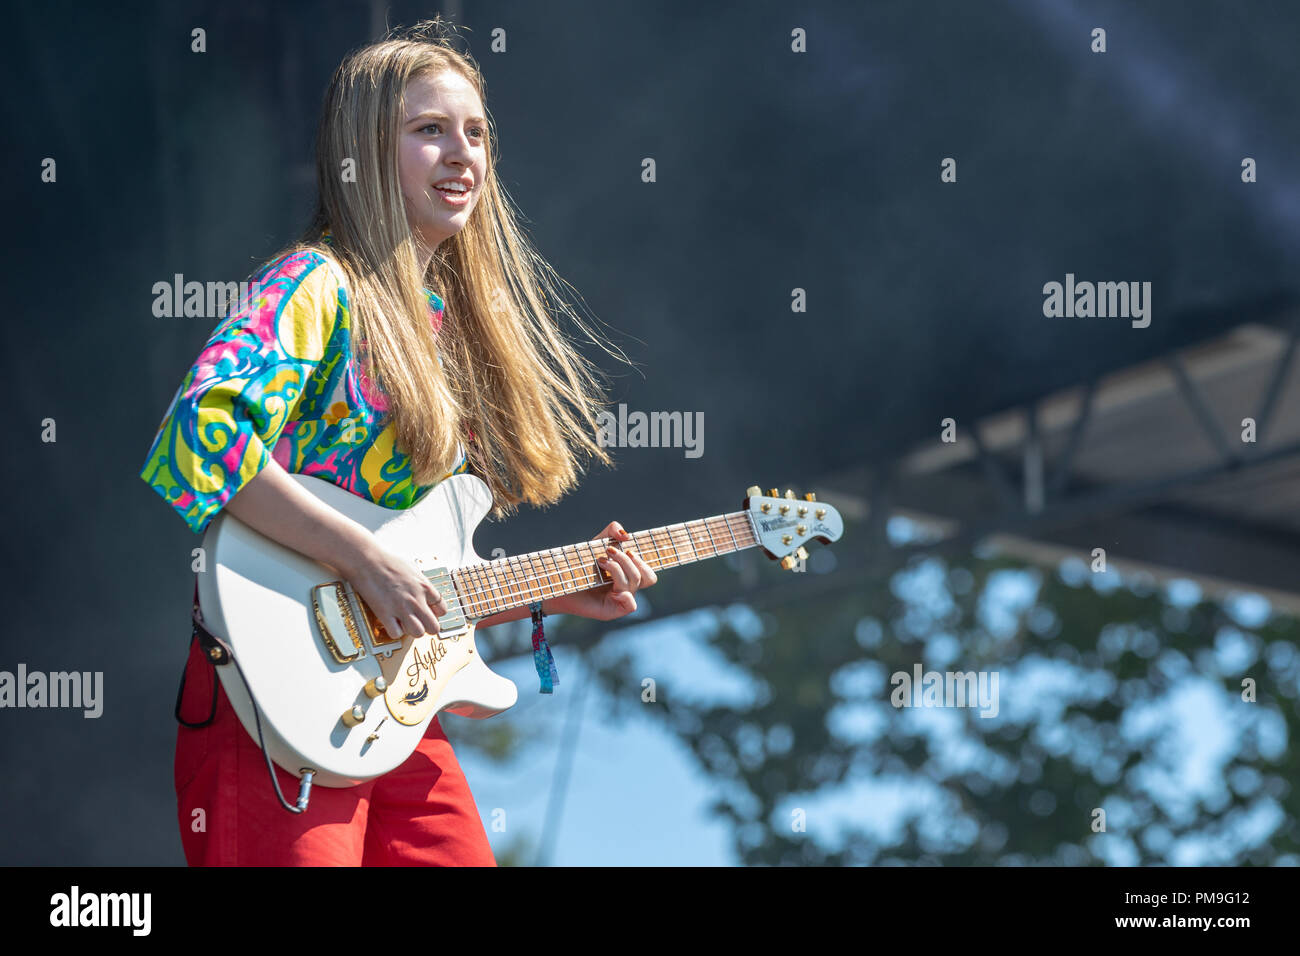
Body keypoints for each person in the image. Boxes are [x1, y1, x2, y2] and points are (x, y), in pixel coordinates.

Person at [139, 19, 656, 866]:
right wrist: (360, 559)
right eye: (429, 131)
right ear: (365, 154)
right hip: (273, 701)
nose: (463, 155)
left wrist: (555, 593)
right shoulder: (315, 284)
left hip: (397, 708)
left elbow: (418, 566)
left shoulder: (448, 334)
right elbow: (199, 437)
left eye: (476, 134)